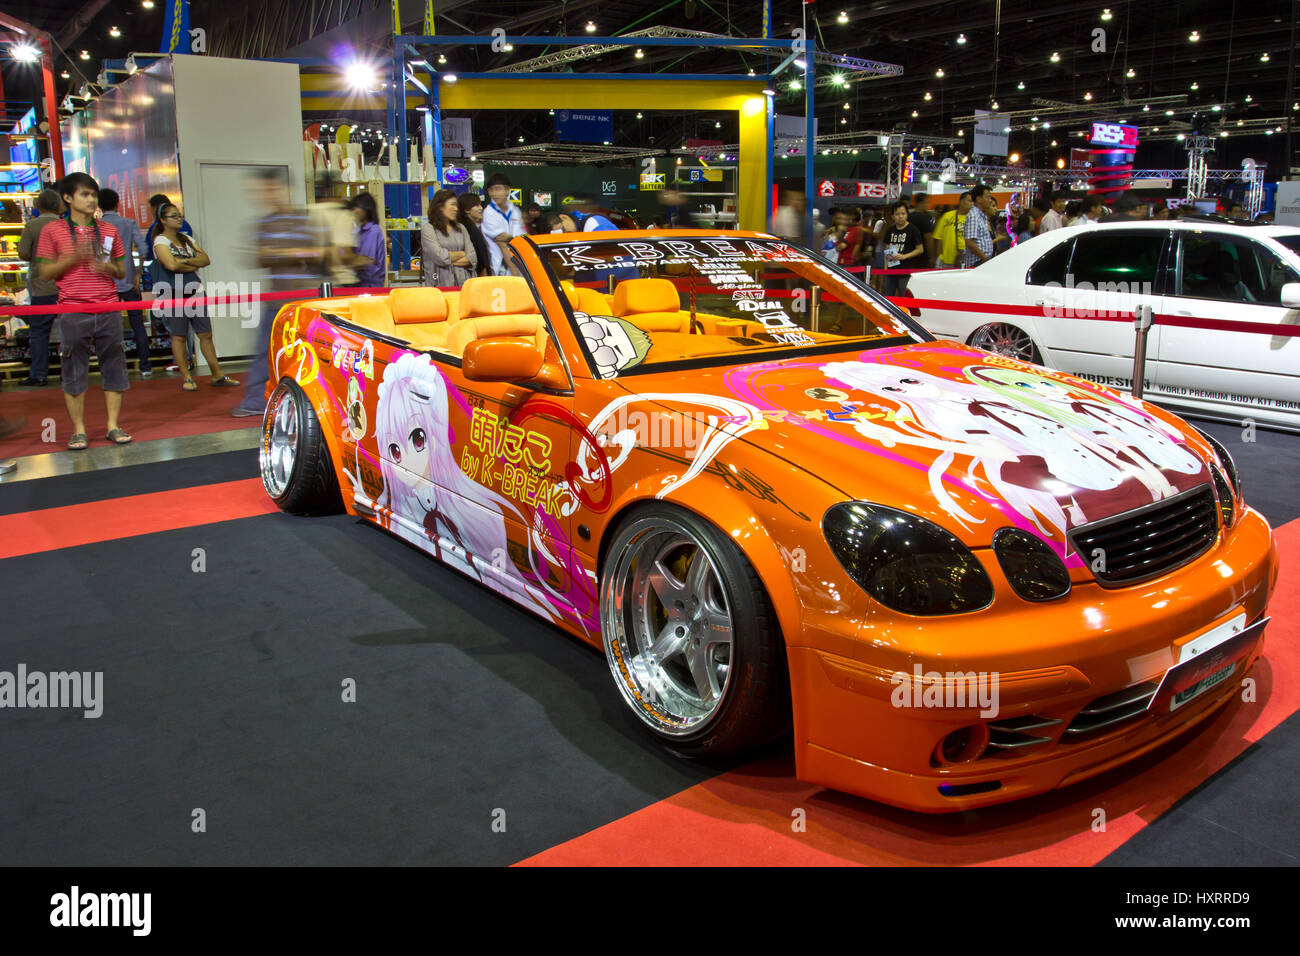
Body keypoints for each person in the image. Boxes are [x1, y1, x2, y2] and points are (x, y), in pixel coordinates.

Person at [35, 172, 130, 449]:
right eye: (84, 194)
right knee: (73, 367)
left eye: (93, 195)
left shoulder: (108, 230)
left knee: (114, 364)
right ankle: (79, 430)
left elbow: (122, 270)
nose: (91, 200)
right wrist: (74, 258)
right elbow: (44, 273)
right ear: (68, 198)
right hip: (73, 308)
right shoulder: (52, 231)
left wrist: (108, 267)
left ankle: (113, 425)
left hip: (109, 305)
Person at [233, 167, 328, 418]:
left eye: (271, 189)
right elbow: (260, 256)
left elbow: (319, 253)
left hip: (304, 300)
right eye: (263, 191)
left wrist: (285, 253)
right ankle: (255, 399)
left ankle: (312, 396)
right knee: (265, 348)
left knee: (306, 351)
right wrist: (293, 252)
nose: (267, 195)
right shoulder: (267, 223)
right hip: (277, 300)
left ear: (285, 189)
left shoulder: (304, 220)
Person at [152, 203, 238, 391]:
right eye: (174, 216)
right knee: (180, 335)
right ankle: (187, 377)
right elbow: (171, 266)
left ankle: (217, 374)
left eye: (179, 215)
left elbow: (205, 260)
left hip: (195, 290)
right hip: (172, 292)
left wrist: (183, 261)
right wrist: (189, 264)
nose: (179, 218)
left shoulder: (188, 239)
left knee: (205, 334)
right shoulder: (160, 241)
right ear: (163, 220)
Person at [97, 188, 153, 379]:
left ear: (99, 205)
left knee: (108, 328)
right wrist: (137, 274)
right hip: (129, 280)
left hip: (106, 284)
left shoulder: (97, 226)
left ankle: (113, 368)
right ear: (117, 203)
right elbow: (144, 249)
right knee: (138, 325)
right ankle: (145, 366)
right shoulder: (129, 223)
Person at [16, 188, 63, 386]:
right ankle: (71, 372)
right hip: (65, 287)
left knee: (38, 332)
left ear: (37, 206)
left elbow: (23, 253)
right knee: (69, 333)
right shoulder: (66, 226)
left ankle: (39, 374)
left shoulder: (32, 226)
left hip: (41, 286)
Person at [309, 174, 360, 288]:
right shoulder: (344, 213)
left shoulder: (312, 211)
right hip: (343, 278)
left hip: (318, 280)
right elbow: (343, 252)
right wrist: (359, 261)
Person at [421, 189, 477, 287]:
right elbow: (440, 257)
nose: (456, 209)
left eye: (456, 205)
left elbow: (472, 258)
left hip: (464, 285)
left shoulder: (461, 228)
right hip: (439, 286)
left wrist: (447, 259)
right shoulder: (428, 229)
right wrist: (462, 253)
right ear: (440, 207)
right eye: (452, 204)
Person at [480, 173, 525, 276]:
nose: (494, 194)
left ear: (507, 190)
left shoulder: (515, 210)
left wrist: (513, 238)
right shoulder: (489, 213)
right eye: (491, 190)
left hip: (520, 264)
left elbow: (519, 237)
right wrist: (516, 274)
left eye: (498, 189)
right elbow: (502, 243)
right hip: (500, 271)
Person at [880, 200, 925, 296]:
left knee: (904, 296)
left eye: (903, 214)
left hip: (906, 271)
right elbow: (887, 248)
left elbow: (920, 249)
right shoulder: (890, 230)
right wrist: (885, 268)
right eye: (897, 214)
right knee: (887, 297)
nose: (900, 216)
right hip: (891, 269)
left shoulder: (913, 229)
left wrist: (905, 256)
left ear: (907, 214)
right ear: (892, 216)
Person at [349, 191, 385, 288]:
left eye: (357, 208)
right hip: (359, 284)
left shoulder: (373, 231)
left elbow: (365, 259)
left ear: (367, 209)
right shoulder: (358, 230)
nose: (354, 211)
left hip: (370, 286)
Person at [456, 192, 492, 278]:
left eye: (480, 205)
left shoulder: (470, 227)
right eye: (477, 205)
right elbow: (481, 258)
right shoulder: (469, 229)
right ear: (466, 209)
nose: (481, 208)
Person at [933, 192, 972, 269]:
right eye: (970, 201)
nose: (972, 204)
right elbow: (938, 238)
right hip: (944, 261)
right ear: (961, 201)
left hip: (965, 261)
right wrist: (939, 256)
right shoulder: (947, 216)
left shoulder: (973, 219)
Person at [962, 185, 996, 268]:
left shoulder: (981, 215)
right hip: (977, 263)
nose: (990, 201)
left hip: (982, 262)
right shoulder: (974, 216)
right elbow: (969, 242)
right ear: (979, 199)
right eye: (988, 198)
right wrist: (984, 258)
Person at [908, 192, 937, 266]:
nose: (928, 205)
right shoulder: (924, 217)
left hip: (909, 253)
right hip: (922, 256)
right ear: (921, 203)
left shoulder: (908, 216)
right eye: (927, 202)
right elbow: (928, 238)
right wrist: (932, 257)